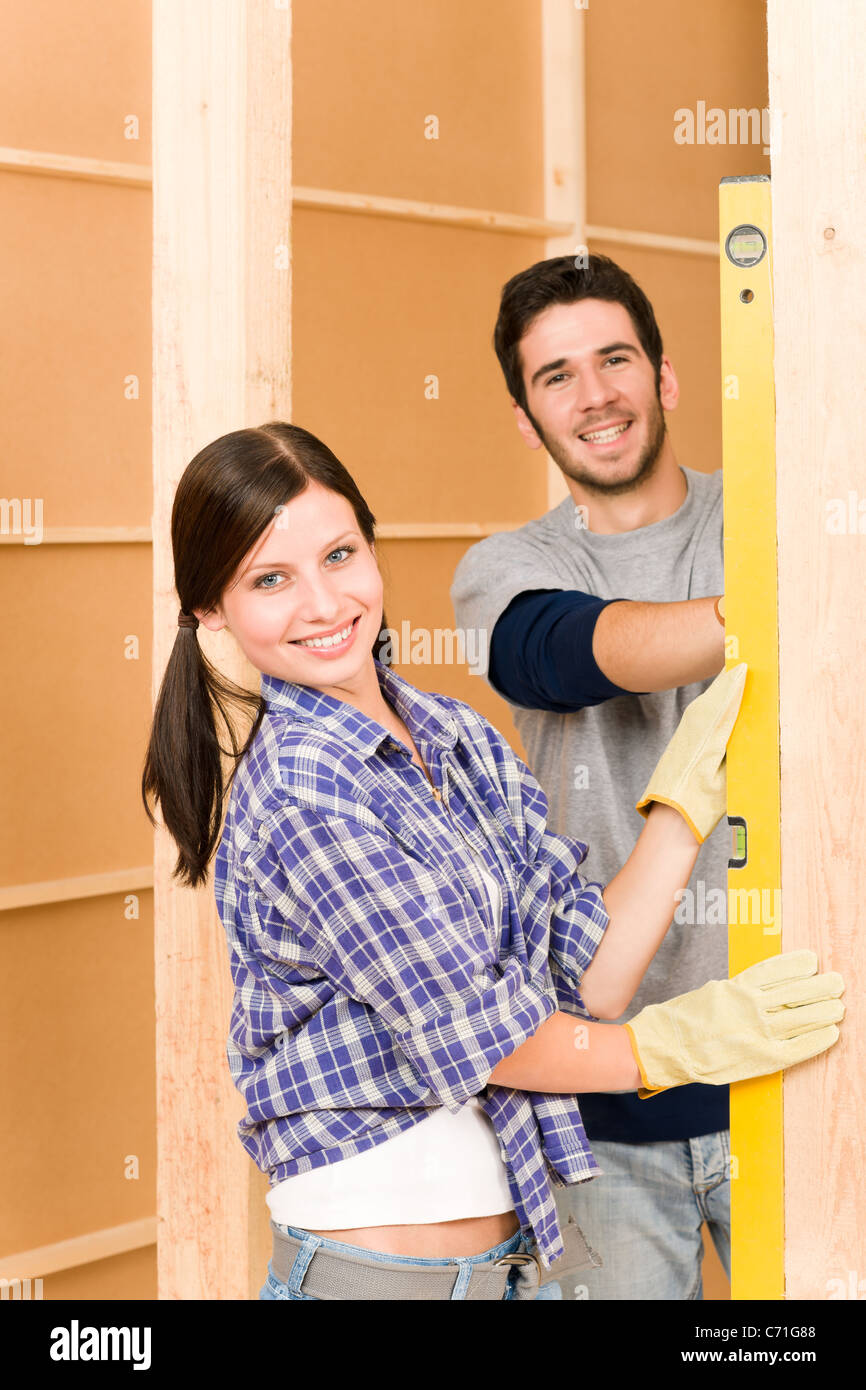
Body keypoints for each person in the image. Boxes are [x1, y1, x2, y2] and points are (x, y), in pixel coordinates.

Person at [141, 421, 844, 1302]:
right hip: (379, 1286)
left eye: (340, 554)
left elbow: (586, 982)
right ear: (212, 608)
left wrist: (681, 808)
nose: (322, 604)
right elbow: (495, 1042)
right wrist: (681, 1043)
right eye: (271, 580)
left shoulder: (455, 738)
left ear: (371, 543)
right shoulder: (301, 792)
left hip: (508, 1272)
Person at [450, 252, 757, 1298]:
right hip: (594, 1108)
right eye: (556, 377)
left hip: (796, 1061)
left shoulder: (760, 518)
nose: (595, 397)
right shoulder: (505, 568)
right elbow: (578, 654)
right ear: (524, 418)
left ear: (663, 378)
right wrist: (771, 611)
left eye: (614, 359)